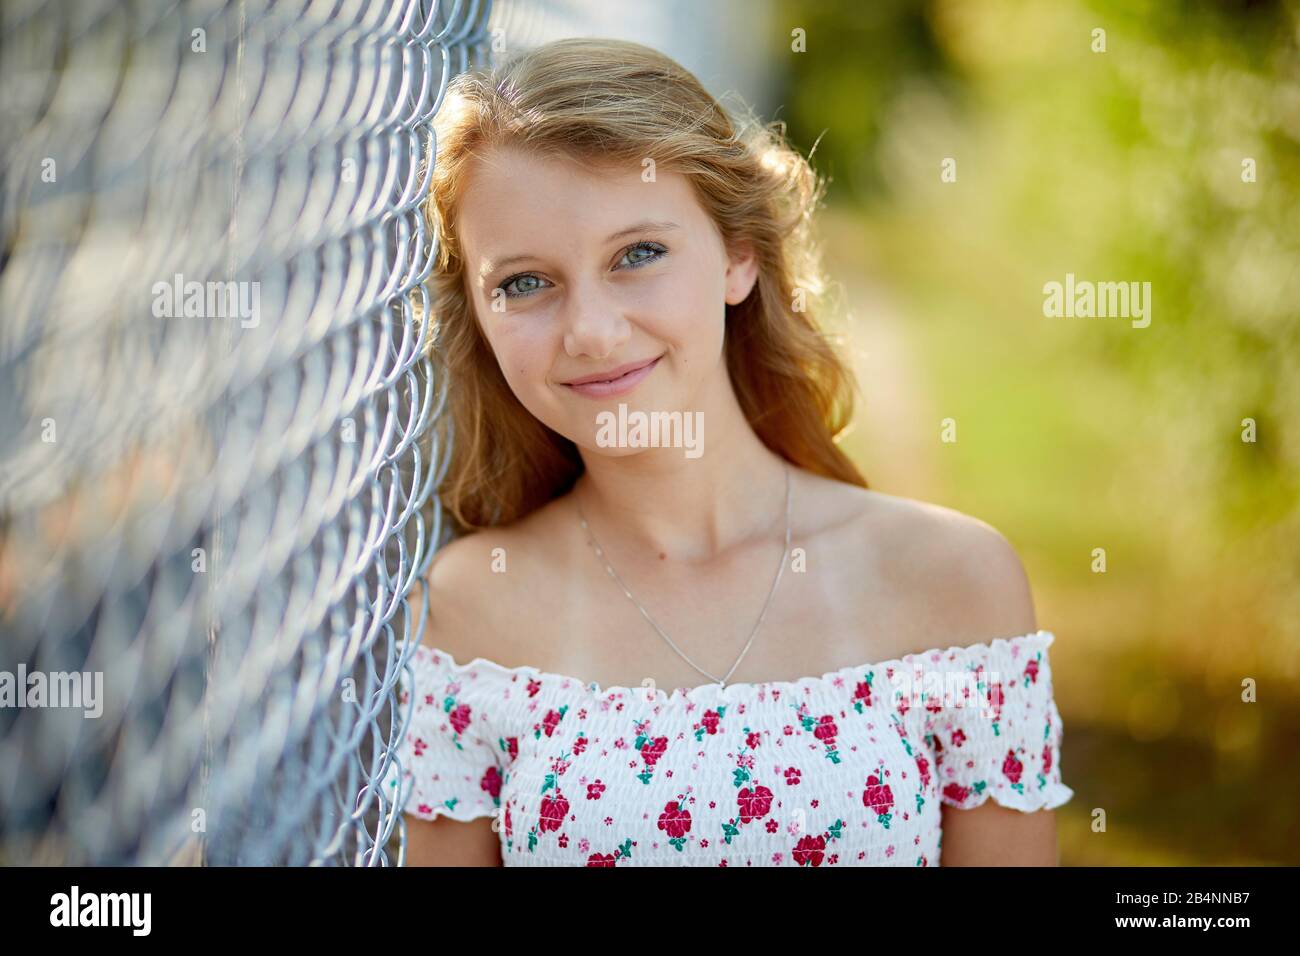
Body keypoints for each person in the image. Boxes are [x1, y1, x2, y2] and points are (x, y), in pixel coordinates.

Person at [384, 37, 1074, 867]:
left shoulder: (955, 580)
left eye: (638, 254)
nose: (592, 332)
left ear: (738, 257)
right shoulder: (465, 614)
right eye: (524, 283)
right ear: (481, 318)